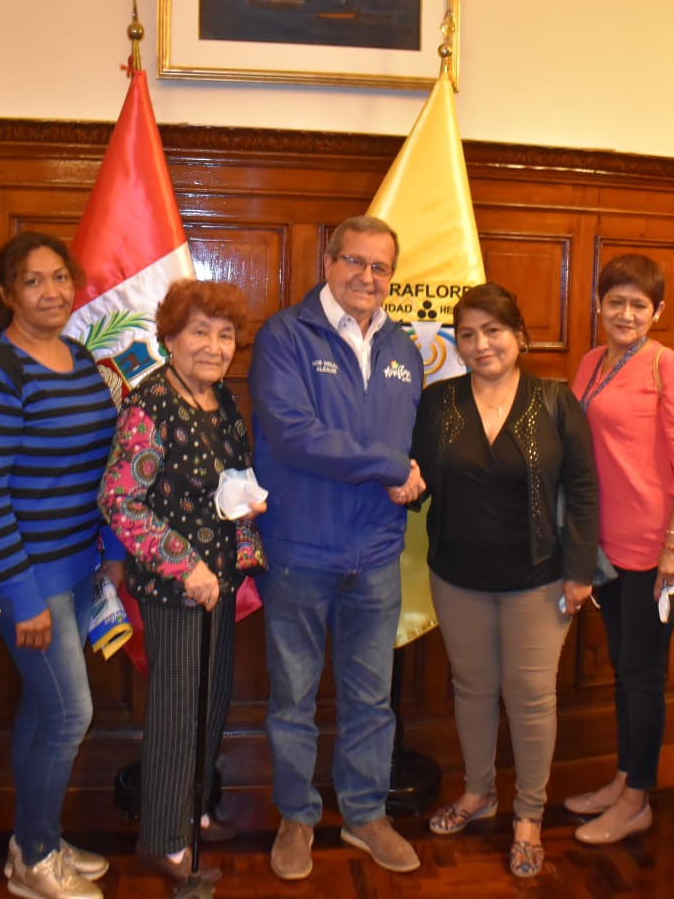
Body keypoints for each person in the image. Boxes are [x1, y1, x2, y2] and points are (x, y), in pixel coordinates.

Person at [249, 215, 426, 881]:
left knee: (370, 701)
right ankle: (297, 819)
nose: (368, 277)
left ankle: (364, 814)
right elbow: (294, 435)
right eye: (356, 261)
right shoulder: (285, 337)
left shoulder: (404, 349)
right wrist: (388, 468)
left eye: (381, 267)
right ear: (328, 263)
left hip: (376, 555)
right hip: (300, 552)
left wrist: (412, 477)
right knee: (292, 700)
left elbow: (413, 446)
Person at [408, 284, 598, 879]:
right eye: (467, 334)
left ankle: (528, 816)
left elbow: (586, 491)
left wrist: (579, 571)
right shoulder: (438, 402)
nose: (481, 344)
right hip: (457, 576)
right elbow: (416, 476)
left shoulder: (556, 400)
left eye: (493, 331)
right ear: (457, 344)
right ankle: (479, 792)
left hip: (538, 580)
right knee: (471, 688)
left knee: (531, 697)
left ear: (520, 336)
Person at [0, 232, 121, 899]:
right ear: (6, 294)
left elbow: (99, 471)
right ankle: (32, 858)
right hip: (27, 578)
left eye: (59, 277)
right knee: (67, 715)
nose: (51, 291)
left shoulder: (80, 358)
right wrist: (23, 597)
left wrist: (107, 557)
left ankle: (36, 837)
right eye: (33, 281)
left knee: (44, 711)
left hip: (79, 567)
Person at [98, 279, 266, 884]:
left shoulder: (219, 399)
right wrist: (185, 564)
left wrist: (246, 539)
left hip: (218, 584)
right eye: (200, 332)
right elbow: (119, 499)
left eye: (225, 335)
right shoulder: (151, 404)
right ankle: (164, 839)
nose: (214, 346)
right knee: (176, 711)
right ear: (169, 338)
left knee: (209, 702)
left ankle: (191, 812)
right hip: (176, 588)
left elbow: (236, 478)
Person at [562, 253, 674, 845]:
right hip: (611, 548)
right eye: (615, 301)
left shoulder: (667, 367)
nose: (626, 313)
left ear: (658, 312)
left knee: (643, 675)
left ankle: (638, 800)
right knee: (625, 670)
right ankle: (624, 779)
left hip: (661, 549)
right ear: (598, 305)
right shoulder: (593, 360)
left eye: (639, 305)